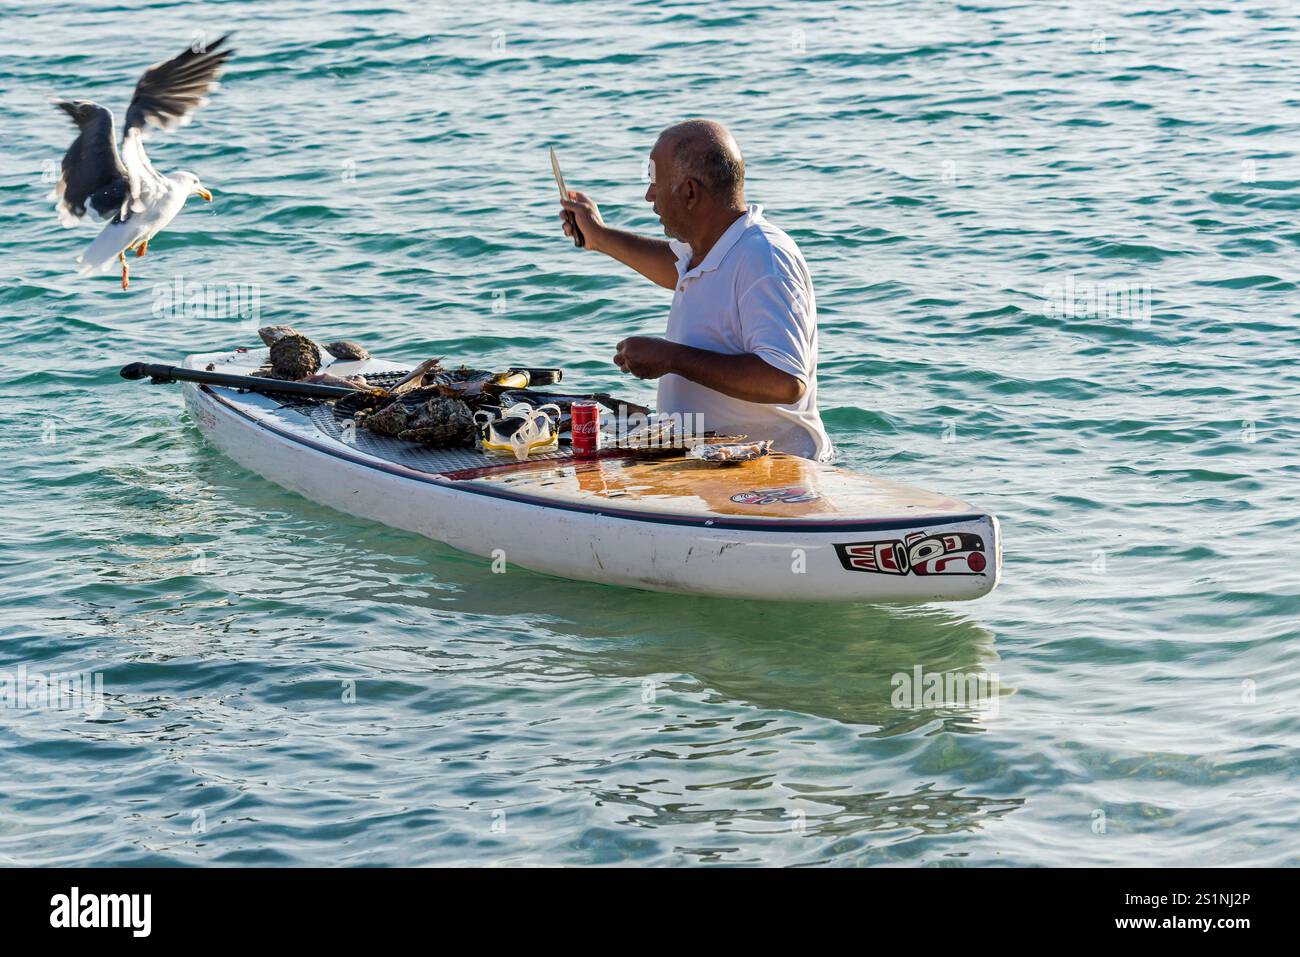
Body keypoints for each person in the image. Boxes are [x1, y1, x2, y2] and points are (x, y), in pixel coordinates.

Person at [558, 119, 833, 461]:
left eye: (655, 183)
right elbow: (669, 264)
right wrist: (597, 236)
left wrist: (670, 358)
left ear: (690, 191)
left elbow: (785, 381)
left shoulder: (763, 258)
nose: (649, 196)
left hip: (772, 473)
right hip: (711, 461)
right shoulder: (706, 249)